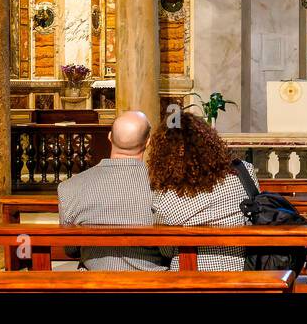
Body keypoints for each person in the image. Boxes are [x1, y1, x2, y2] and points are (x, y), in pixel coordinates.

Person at [147, 111, 258, 271]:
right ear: (209, 140)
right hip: (242, 269)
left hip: (190, 274)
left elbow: (166, 250)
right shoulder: (243, 171)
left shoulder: (166, 196)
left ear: (164, 153)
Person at [56, 110, 165, 271]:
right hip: (152, 284)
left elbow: (70, 249)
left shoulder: (69, 187)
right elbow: (169, 249)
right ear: (148, 142)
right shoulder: (165, 186)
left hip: (95, 284)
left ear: (109, 137)